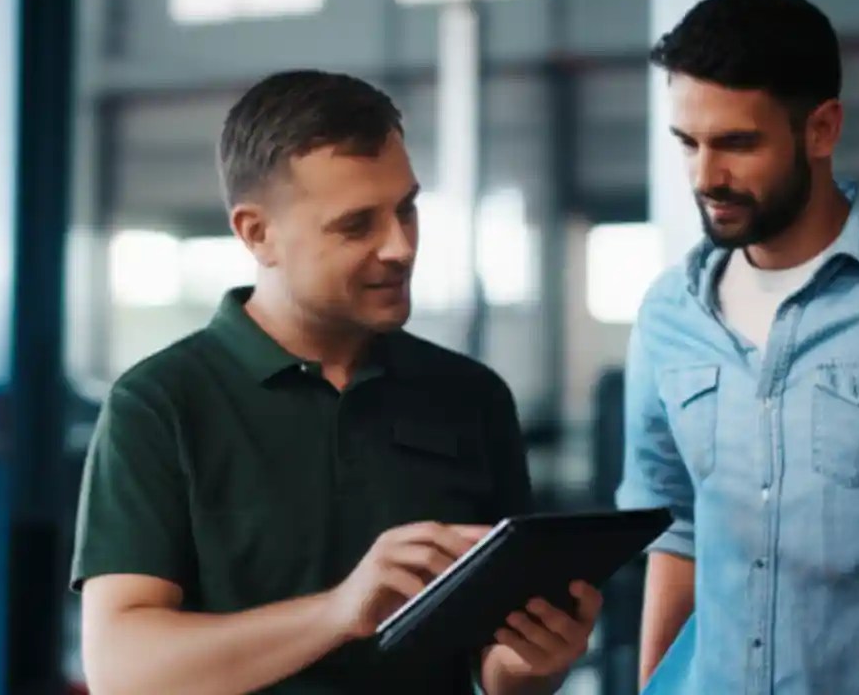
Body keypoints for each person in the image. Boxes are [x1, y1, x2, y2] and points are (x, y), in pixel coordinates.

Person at [71, 69, 602, 695]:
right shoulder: (160, 406)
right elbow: (121, 672)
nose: (400, 246)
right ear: (256, 233)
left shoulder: (471, 397)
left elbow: (494, 668)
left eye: (407, 209)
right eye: (357, 225)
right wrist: (339, 611)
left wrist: (531, 663)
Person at [617, 0, 859, 694]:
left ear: (821, 129)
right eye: (688, 143)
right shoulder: (669, 315)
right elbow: (674, 534)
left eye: (737, 143)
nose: (705, 176)